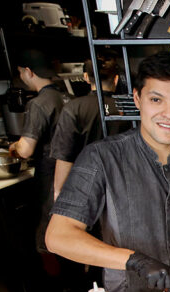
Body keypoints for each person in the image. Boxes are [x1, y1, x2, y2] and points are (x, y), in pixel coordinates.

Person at [45, 51, 170, 292]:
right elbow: (58, 236)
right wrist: (134, 260)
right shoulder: (101, 157)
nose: (168, 114)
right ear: (137, 99)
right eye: (156, 100)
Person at [9, 49, 65, 252]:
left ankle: (59, 282)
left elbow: (25, 149)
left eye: (21, 73)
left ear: (28, 71)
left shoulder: (39, 103)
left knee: (50, 236)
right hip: (72, 173)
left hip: (50, 176)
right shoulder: (65, 97)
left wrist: (14, 146)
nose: (22, 77)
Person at [50, 52, 125, 200]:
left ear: (86, 77)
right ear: (116, 79)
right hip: (121, 186)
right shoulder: (127, 108)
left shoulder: (74, 108)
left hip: (85, 189)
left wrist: (58, 192)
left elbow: (65, 156)